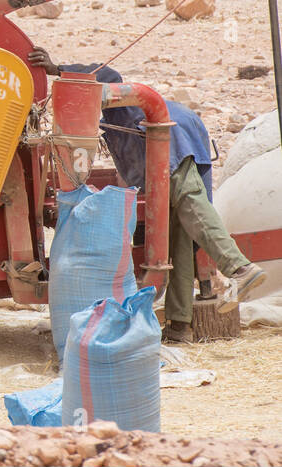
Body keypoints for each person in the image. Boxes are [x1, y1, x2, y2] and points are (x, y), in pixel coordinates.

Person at [28, 47, 267, 343]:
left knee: (193, 209)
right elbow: (129, 169)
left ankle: (240, 268)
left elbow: (106, 74)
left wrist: (57, 68)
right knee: (179, 239)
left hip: (173, 145)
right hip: (168, 149)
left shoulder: (119, 101)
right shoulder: (109, 124)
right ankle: (180, 327)